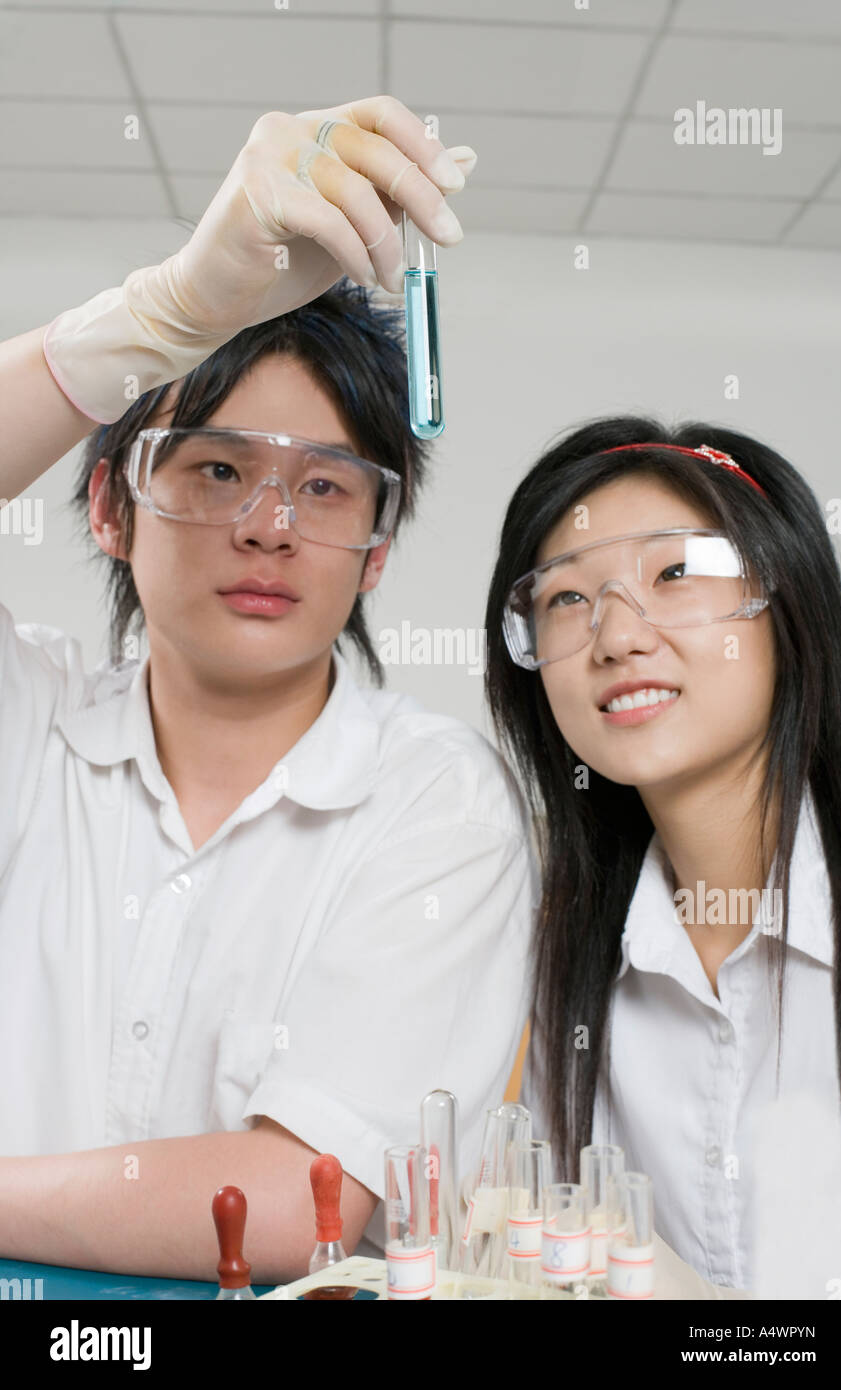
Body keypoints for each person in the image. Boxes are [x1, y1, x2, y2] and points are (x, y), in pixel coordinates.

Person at [0, 99, 535, 1285]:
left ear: (378, 550)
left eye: (328, 488)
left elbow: (311, 1195)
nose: (267, 526)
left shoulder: (436, 803)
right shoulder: (24, 717)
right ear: (108, 509)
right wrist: (153, 318)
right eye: (217, 468)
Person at [484, 417, 841, 1295]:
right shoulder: (556, 958)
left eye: (675, 573)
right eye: (568, 599)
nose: (616, 637)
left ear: (785, 598)